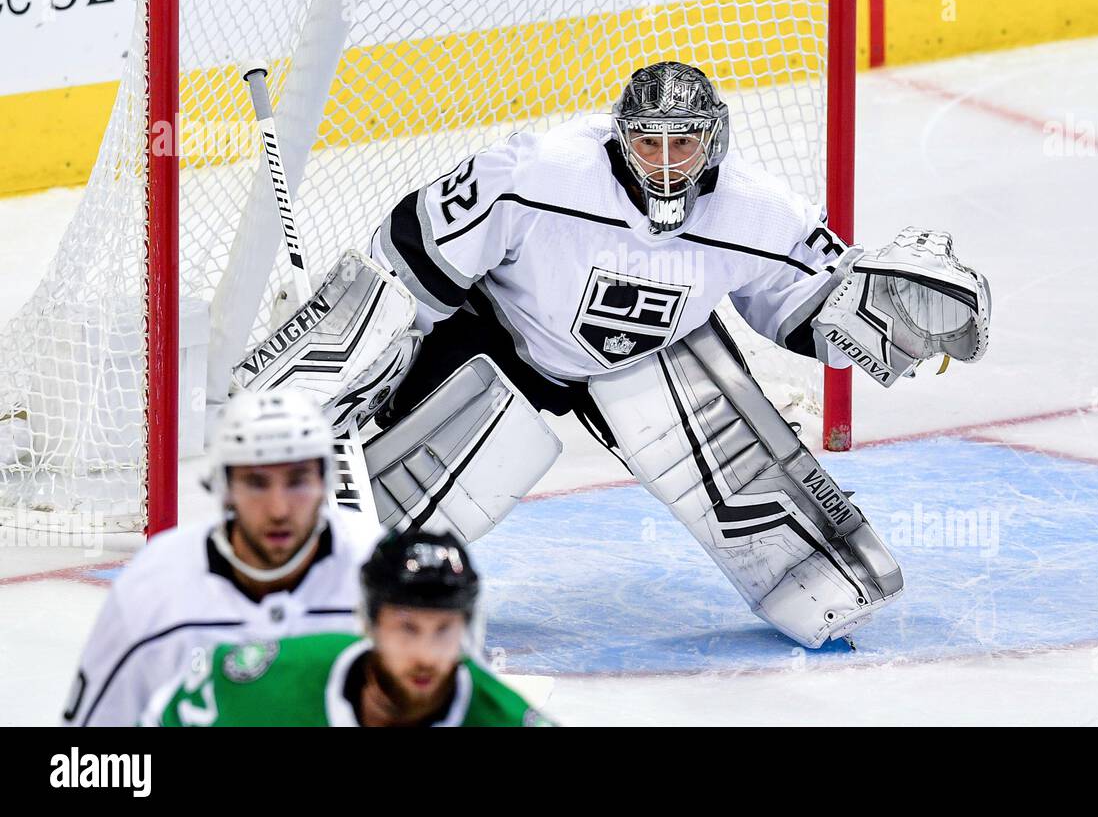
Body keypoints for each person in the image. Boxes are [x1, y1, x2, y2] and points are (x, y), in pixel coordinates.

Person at [242, 61, 992, 649]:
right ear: (619, 136)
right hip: (498, 339)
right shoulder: (538, 172)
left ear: (714, 140)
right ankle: (313, 567)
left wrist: (877, 315)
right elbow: (411, 253)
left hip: (645, 362)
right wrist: (373, 360)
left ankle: (806, 568)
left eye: (684, 143)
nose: (665, 163)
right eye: (648, 142)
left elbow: (806, 308)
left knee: (814, 572)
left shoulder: (762, 212)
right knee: (409, 493)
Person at [62, 388, 377, 726]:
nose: (279, 509)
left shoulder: (377, 570)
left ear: (325, 481)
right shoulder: (153, 588)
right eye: (256, 483)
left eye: (298, 481)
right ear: (224, 488)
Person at [143, 529, 548, 727]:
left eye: (443, 629)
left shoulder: (504, 720)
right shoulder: (259, 681)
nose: (426, 654)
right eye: (407, 629)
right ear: (369, 624)